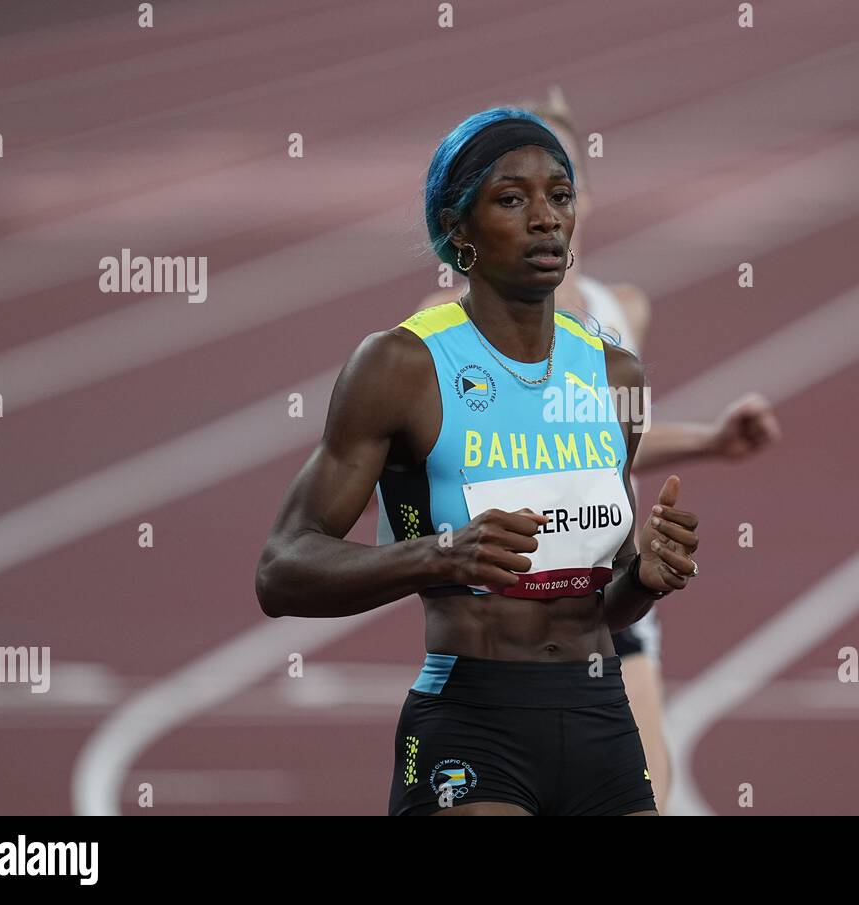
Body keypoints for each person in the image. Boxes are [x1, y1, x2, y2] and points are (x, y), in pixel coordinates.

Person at [256, 106, 701, 816]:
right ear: (458, 230)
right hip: (472, 723)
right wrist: (439, 555)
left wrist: (644, 578)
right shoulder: (402, 365)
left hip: (600, 721)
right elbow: (281, 570)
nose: (546, 219)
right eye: (511, 199)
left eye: (559, 194)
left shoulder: (618, 376)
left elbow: (600, 601)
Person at [415, 87, 782, 811]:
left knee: (655, 788)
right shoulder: (440, 330)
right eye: (513, 186)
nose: (545, 200)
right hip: (503, 628)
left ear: (583, 188)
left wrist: (710, 438)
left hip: (609, 606)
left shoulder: (623, 314)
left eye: (561, 174)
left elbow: (614, 445)